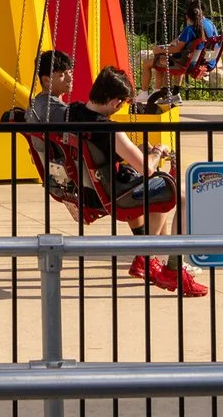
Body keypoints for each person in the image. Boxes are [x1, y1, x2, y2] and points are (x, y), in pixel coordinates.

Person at [76, 67, 205, 297]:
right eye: (123, 104)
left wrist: (135, 153)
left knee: (160, 191)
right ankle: (169, 267)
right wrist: (157, 151)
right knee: (179, 194)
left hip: (91, 186)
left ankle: (155, 256)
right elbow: (146, 168)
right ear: (115, 102)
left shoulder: (74, 112)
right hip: (116, 193)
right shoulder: (109, 130)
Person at [139, 1, 220, 91]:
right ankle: (173, 93)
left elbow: (177, 49)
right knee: (166, 59)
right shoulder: (210, 24)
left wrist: (159, 50)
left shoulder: (191, 29)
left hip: (188, 64)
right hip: (205, 61)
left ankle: (149, 92)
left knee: (154, 61)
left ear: (188, 16)